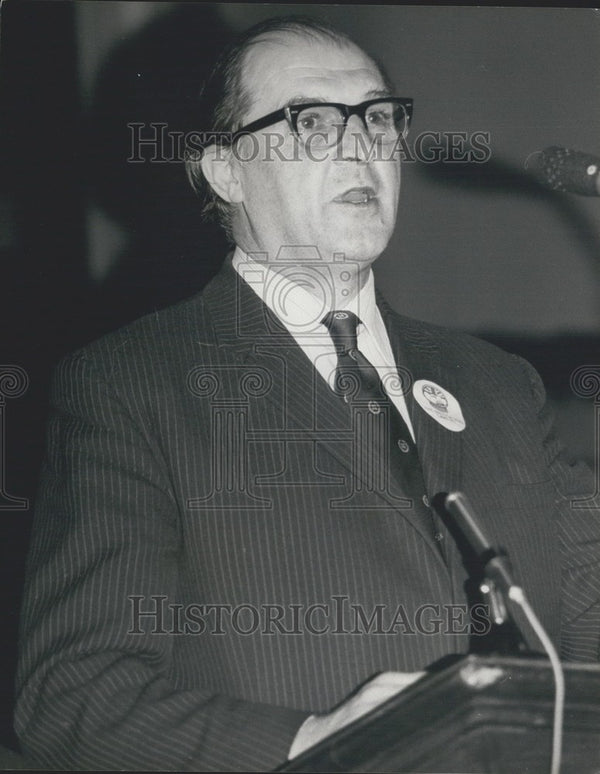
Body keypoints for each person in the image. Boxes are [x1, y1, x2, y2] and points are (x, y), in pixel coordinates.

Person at [15, 16, 600, 772]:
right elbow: (73, 691)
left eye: (379, 116)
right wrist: (310, 742)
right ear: (224, 171)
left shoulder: (498, 382)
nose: (361, 145)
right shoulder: (131, 385)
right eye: (314, 122)